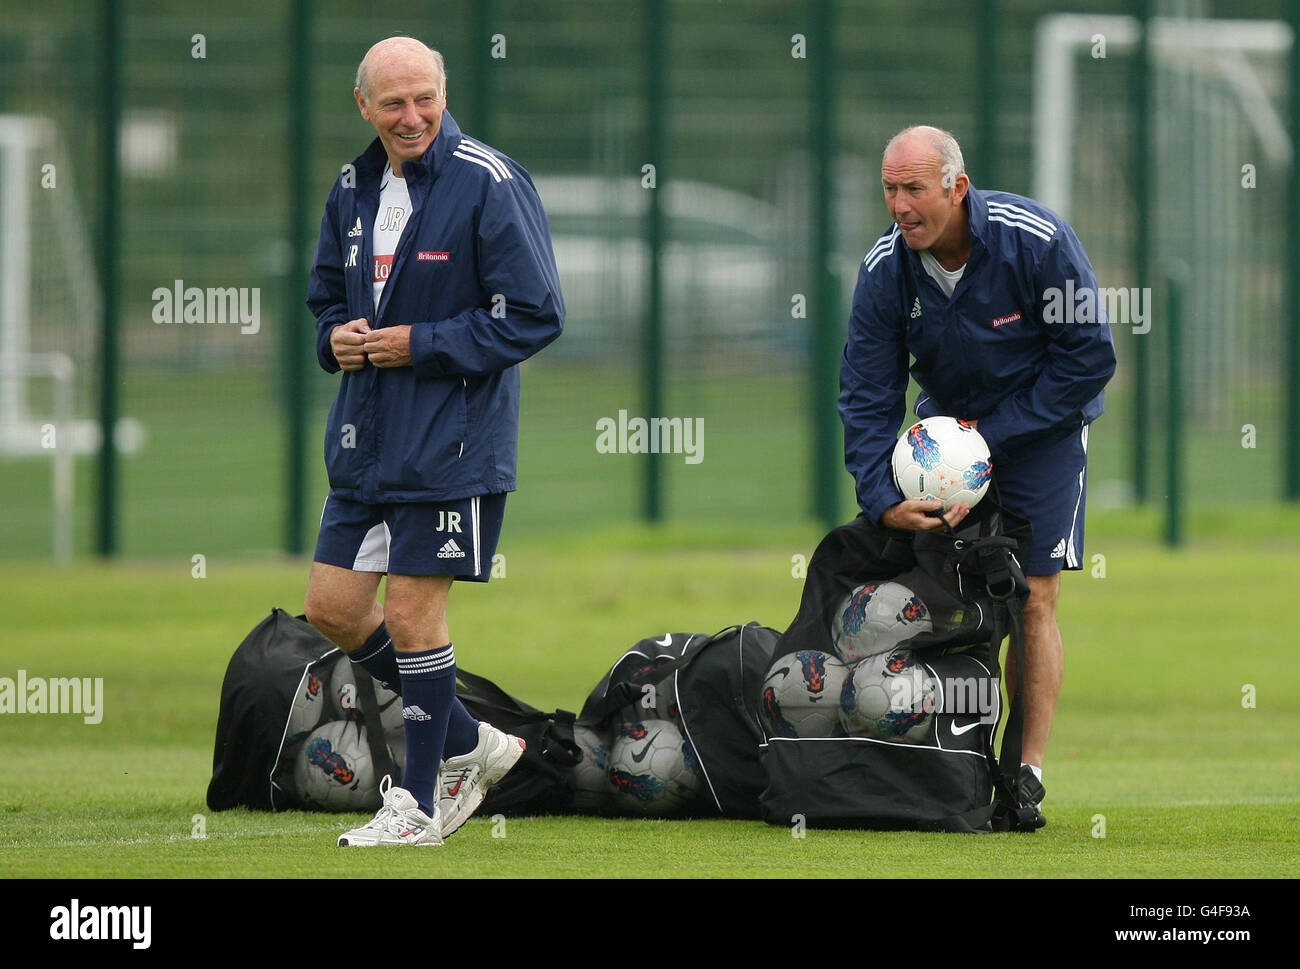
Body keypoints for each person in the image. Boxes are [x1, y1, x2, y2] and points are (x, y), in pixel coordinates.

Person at [303, 36, 564, 846]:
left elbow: (535, 313)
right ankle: (469, 741)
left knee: (415, 613)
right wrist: (333, 341)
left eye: (425, 98)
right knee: (334, 607)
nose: (412, 116)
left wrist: (419, 342)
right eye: (394, 103)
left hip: (453, 445)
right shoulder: (351, 188)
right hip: (365, 441)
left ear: (444, 92)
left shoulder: (489, 181)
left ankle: (415, 805)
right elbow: (321, 302)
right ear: (363, 106)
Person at [839, 125, 1116, 827]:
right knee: (945, 596)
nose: (899, 206)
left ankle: (1025, 772)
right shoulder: (884, 270)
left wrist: (989, 438)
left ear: (957, 188)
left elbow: (1089, 358)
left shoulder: (1037, 240)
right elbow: (867, 391)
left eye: (914, 189)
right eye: (889, 189)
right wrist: (879, 499)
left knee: (1032, 598)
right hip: (945, 445)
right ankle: (950, 760)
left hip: (1043, 434)